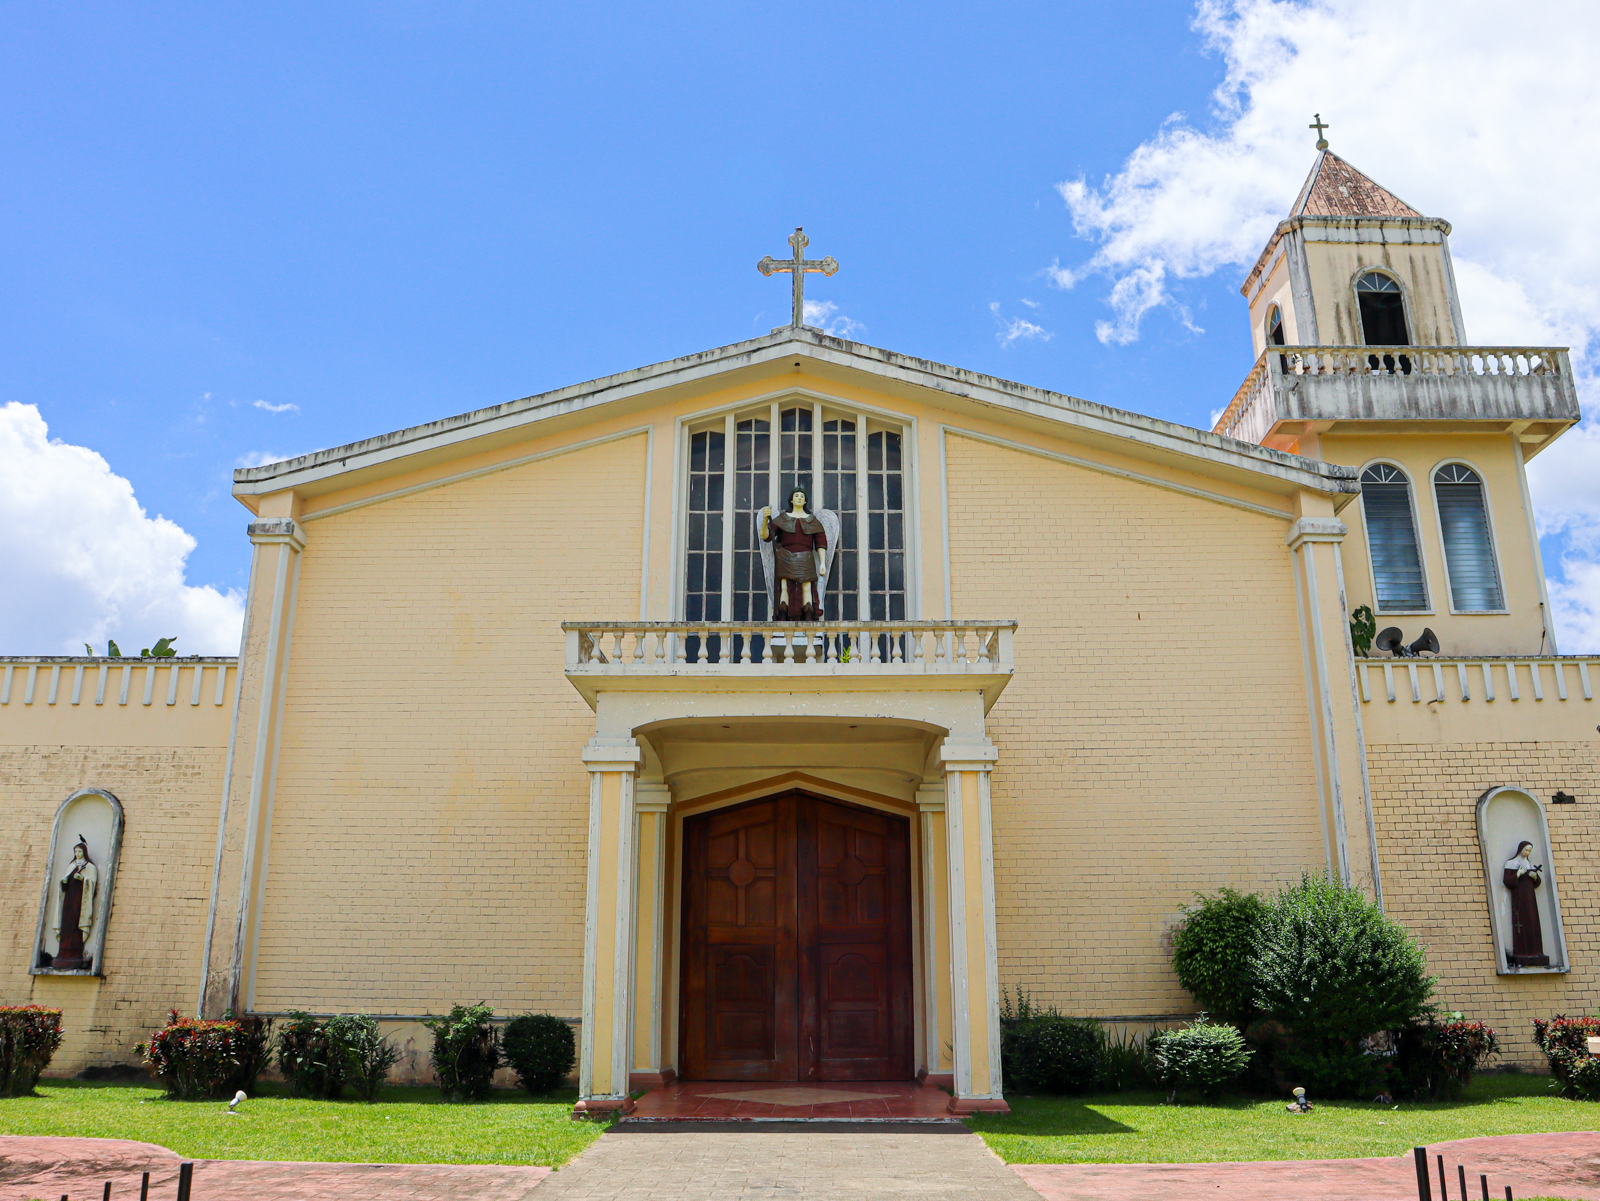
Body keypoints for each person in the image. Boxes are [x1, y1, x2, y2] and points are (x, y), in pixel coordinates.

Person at [760, 488, 829, 620]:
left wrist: (823, 564)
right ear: (791, 500)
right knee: (784, 587)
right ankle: (783, 616)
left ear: (805, 501)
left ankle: (808, 616)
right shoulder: (783, 519)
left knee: (807, 587)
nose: (799, 498)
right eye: (796, 496)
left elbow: (821, 543)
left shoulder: (812, 520)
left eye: (802, 496)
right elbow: (766, 536)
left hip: (806, 557)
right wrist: (765, 520)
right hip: (786, 557)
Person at [52, 837, 98, 971]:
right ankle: (63, 953)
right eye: (75, 851)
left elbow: (92, 884)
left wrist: (83, 880)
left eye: (79, 851)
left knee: (76, 926)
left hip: (80, 904)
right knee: (66, 925)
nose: (77, 854)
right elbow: (63, 883)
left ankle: (75, 954)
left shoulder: (90, 867)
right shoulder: (71, 866)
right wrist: (64, 882)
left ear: (84, 852)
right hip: (68, 902)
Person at [1502, 840, 1549, 968]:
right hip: (1520, 897)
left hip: (1531, 899)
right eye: (1526, 850)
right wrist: (1517, 874)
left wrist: (1534, 877)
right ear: (1521, 849)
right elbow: (1507, 881)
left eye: (1530, 851)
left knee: (1533, 921)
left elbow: (1536, 883)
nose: (1528, 853)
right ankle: (1523, 952)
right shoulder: (1511, 863)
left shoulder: (1529, 863)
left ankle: (1536, 951)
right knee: (1521, 921)